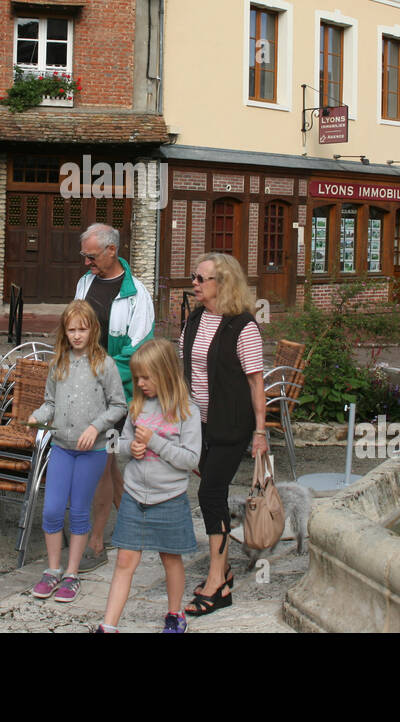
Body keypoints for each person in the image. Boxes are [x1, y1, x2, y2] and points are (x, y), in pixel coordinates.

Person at [179, 252, 268, 617]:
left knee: (210, 493)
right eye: (195, 278)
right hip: (198, 423)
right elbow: (185, 366)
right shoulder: (197, 318)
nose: (195, 284)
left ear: (223, 283)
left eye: (202, 279)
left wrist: (260, 431)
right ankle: (224, 569)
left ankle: (217, 582)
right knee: (211, 494)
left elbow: (256, 382)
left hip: (231, 425)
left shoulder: (243, 326)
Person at [96, 338, 200, 633]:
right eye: (137, 377)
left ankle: (175, 613)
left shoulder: (186, 411)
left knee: (170, 558)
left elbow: (191, 459)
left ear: (166, 373)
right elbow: (118, 443)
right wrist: (131, 449)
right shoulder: (138, 406)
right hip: (135, 498)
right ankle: (109, 625)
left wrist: (154, 442)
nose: (139, 383)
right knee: (125, 560)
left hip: (170, 498)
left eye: (145, 377)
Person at [28, 300, 126, 603]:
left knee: (80, 510)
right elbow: (51, 403)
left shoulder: (104, 364)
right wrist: (37, 416)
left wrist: (95, 427)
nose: (77, 335)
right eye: (71, 330)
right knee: (53, 509)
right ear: (65, 332)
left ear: (92, 329)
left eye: (82, 329)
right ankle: (53, 570)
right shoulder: (59, 362)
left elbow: (119, 406)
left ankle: (71, 573)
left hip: (92, 450)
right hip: (61, 446)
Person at [73, 222, 154, 571]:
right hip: (84, 386)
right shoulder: (86, 282)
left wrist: (100, 378)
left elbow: (138, 352)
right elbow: (73, 328)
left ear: (111, 250)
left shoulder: (138, 295)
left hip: (115, 392)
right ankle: (137, 527)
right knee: (105, 462)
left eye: (91, 256)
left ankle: (96, 539)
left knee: (102, 460)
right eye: (84, 256)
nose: (86, 263)